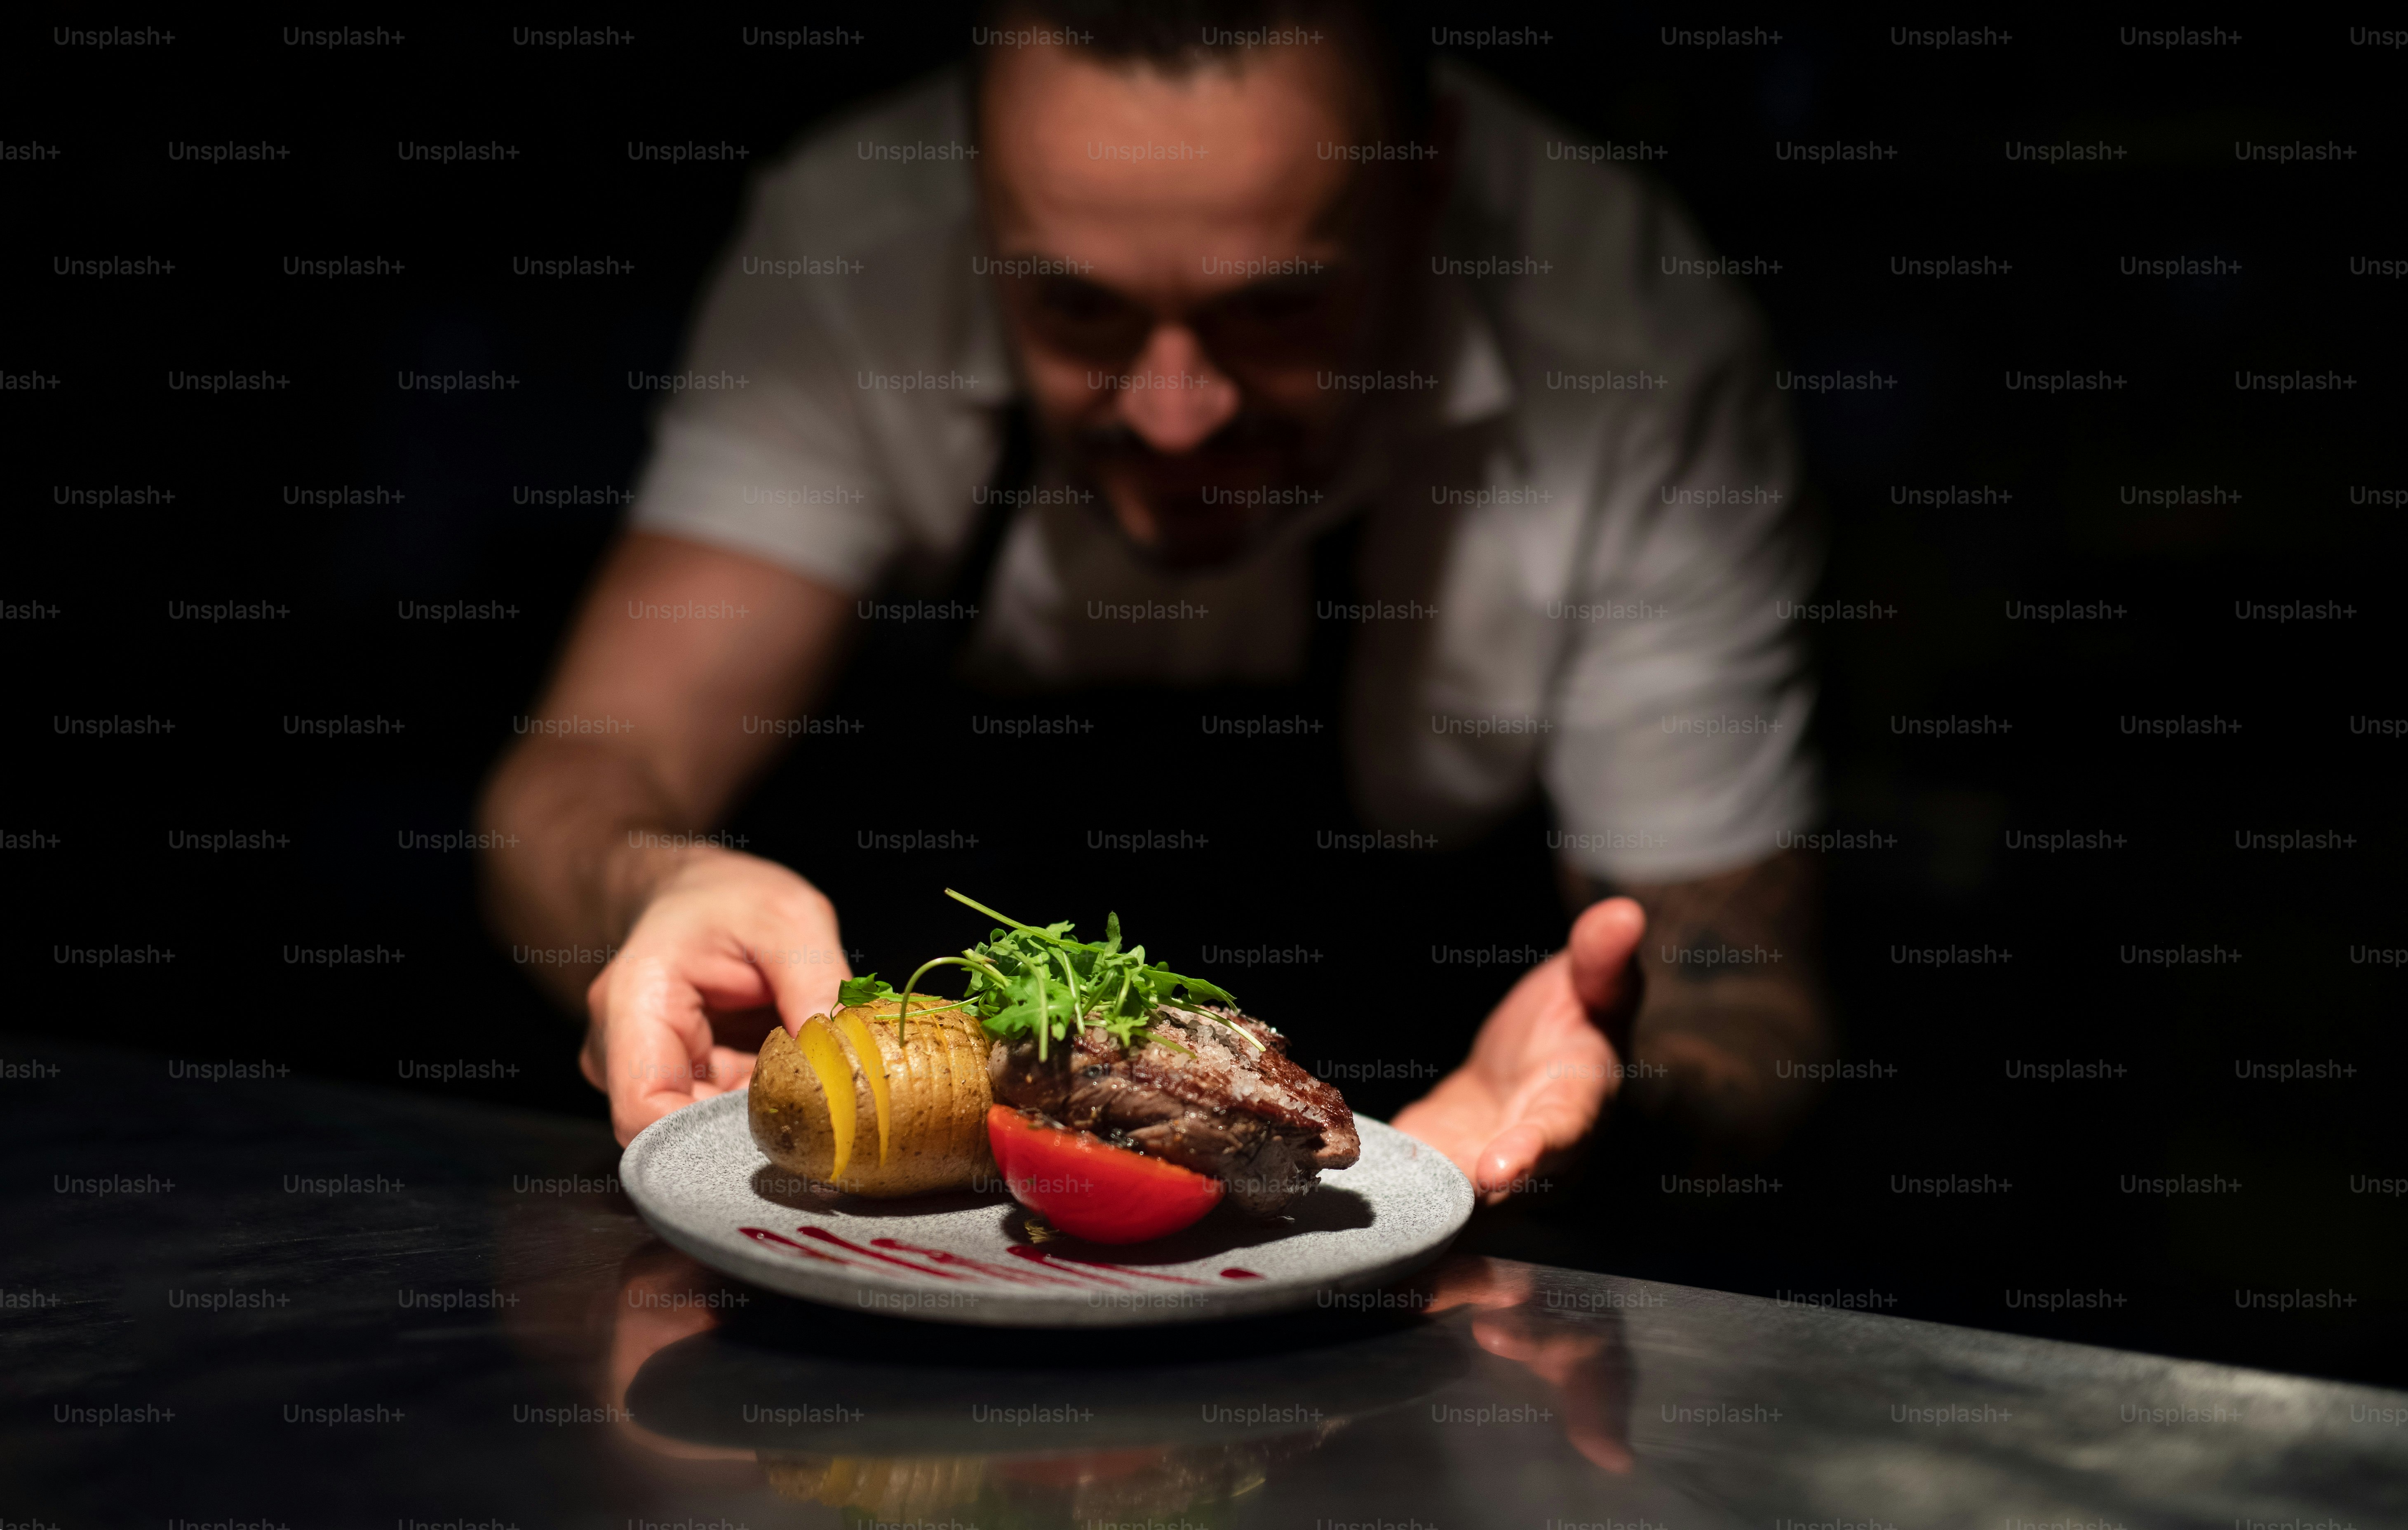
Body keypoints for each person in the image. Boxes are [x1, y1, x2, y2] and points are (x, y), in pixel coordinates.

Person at [479, 0, 1830, 1202]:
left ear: (1425, 190)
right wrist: (645, 886)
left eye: (1277, 311)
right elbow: (580, 781)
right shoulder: (847, 257)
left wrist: (1613, 1100)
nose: (1175, 415)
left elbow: (1747, 1005)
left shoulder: (1630, 348)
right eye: (1074, 310)